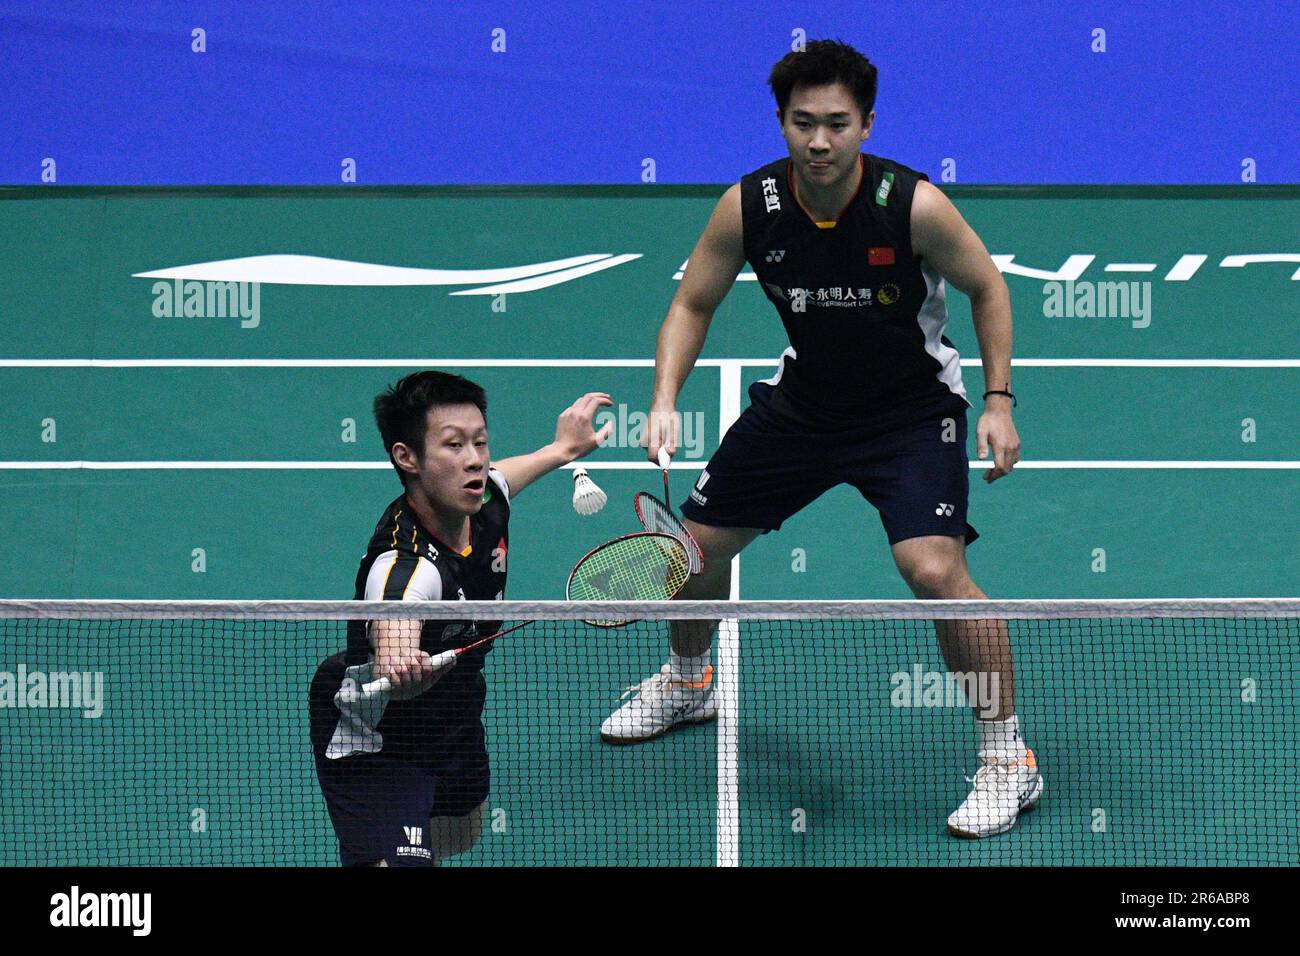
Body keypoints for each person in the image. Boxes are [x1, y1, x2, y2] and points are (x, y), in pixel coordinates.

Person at [600, 40, 1041, 839]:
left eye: (838, 123)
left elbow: (988, 287)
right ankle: (688, 678)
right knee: (691, 551)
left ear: (867, 124)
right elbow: (692, 303)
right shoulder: (750, 205)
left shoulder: (913, 205)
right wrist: (664, 399)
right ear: (781, 122)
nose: (819, 141)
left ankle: (1008, 757)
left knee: (935, 569)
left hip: (909, 412)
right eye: (803, 123)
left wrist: (999, 402)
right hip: (804, 407)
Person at [310, 371, 612, 866]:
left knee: (456, 835)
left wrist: (561, 450)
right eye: (453, 445)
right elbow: (394, 629)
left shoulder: (484, 499)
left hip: (456, 712)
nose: (475, 459)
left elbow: (504, 477)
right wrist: (400, 669)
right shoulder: (404, 568)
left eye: (480, 442)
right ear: (406, 457)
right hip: (381, 735)